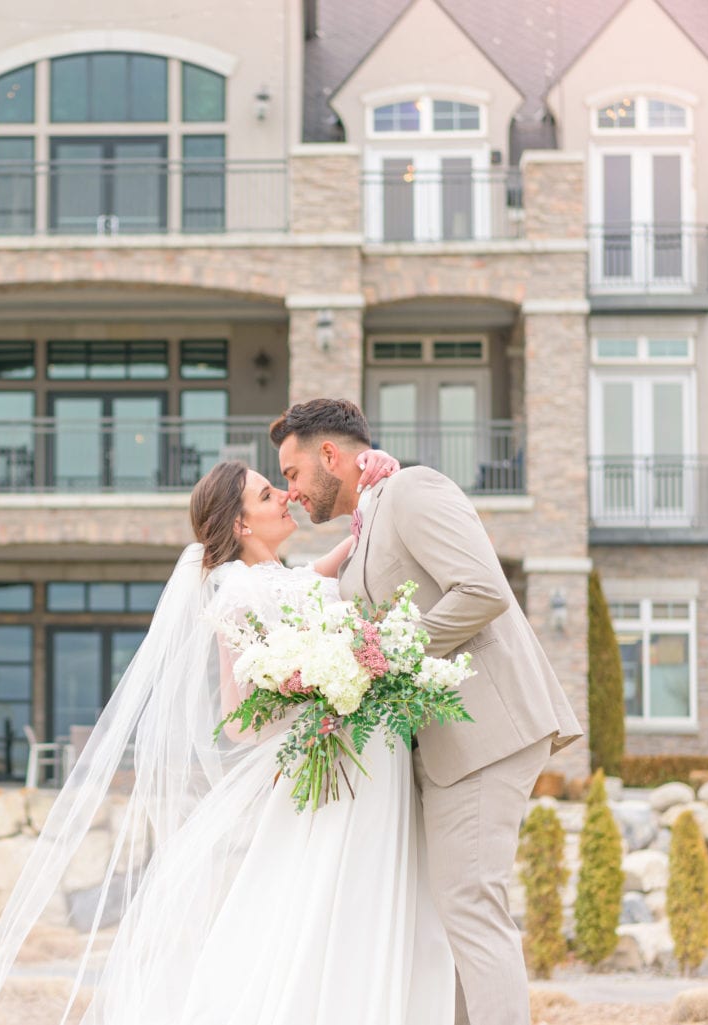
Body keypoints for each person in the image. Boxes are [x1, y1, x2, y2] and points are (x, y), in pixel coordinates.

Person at [0, 454, 457, 1025]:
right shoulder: (237, 596)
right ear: (241, 524)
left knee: (344, 906)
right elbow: (240, 720)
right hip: (326, 760)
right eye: (268, 495)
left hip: (361, 753)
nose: (285, 497)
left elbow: (339, 557)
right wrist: (309, 691)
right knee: (320, 908)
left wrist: (376, 483)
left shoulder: (281, 578)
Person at [271, 398, 583, 1025]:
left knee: (470, 905)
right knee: (451, 916)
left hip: (485, 733)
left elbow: (483, 590)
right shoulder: (367, 521)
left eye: (293, 473)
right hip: (439, 747)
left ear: (329, 455)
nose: (292, 491)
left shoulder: (412, 489)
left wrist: (384, 654)